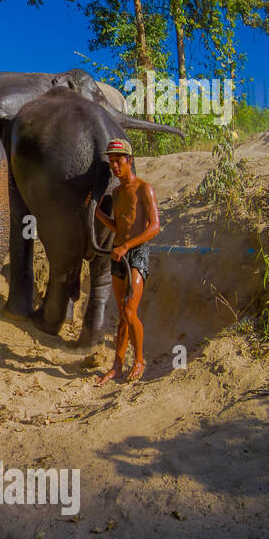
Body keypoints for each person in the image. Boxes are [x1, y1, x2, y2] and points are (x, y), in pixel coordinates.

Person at [93, 139, 161, 385]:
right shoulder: (117, 192)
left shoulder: (145, 188)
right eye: (111, 161)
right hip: (118, 253)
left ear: (129, 160)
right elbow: (117, 226)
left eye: (118, 160)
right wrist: (97, 213)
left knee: (130, 311)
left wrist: (127, 246)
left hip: (136, 252)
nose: (114, 165)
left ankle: (140, 360)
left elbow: (154, 227)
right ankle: (117, 365)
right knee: (122, 313)